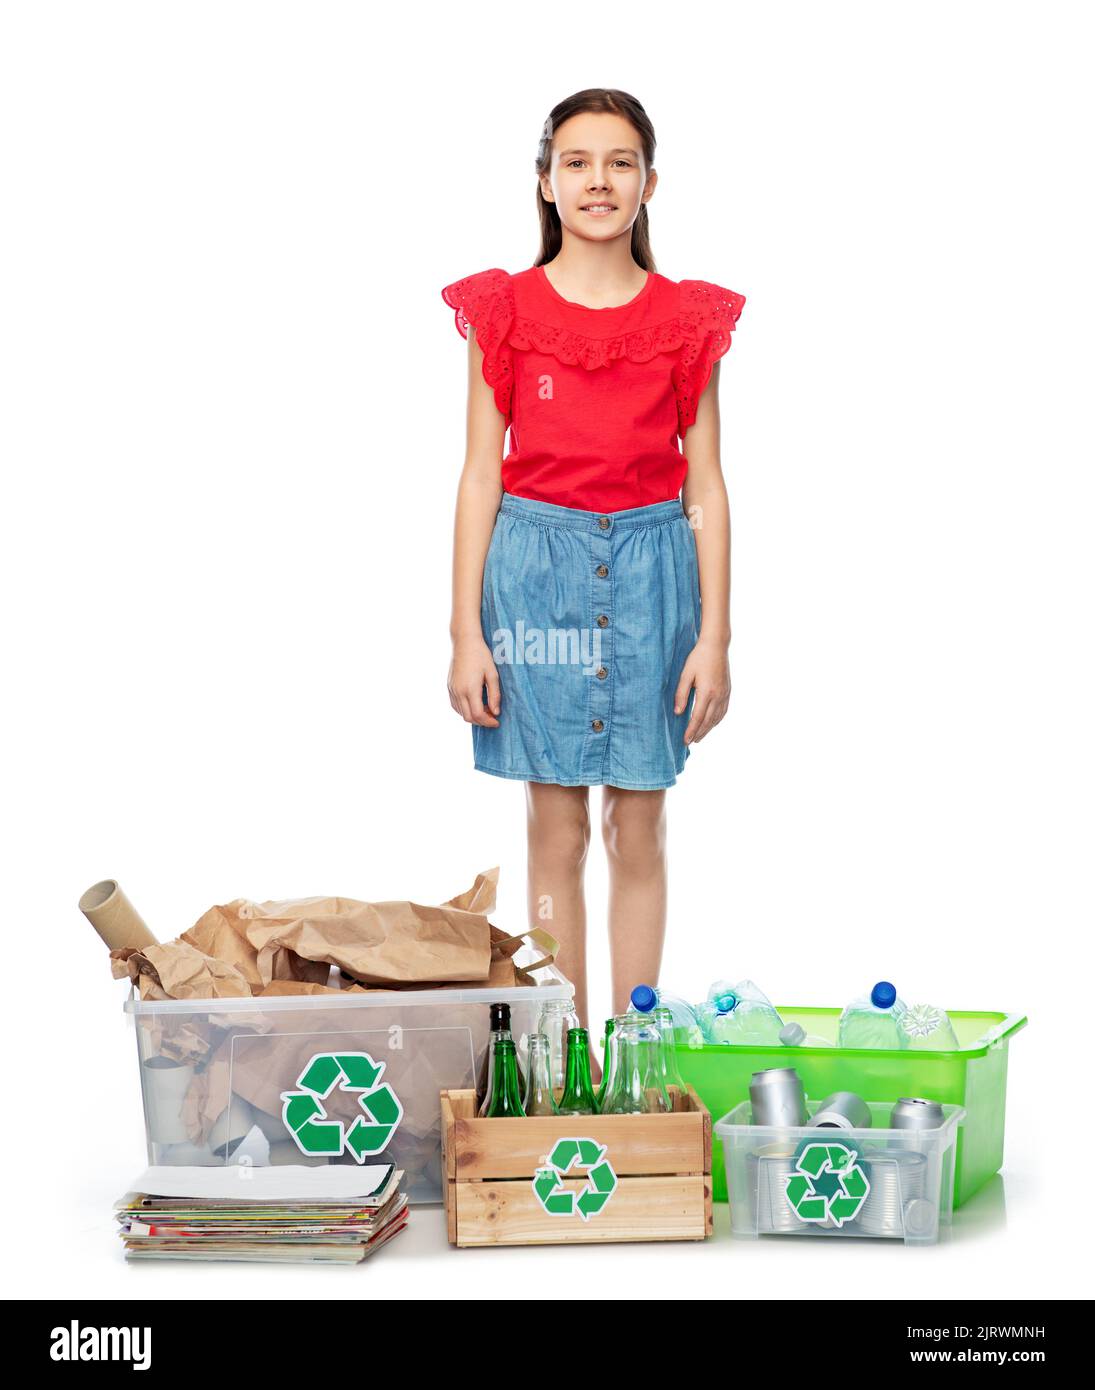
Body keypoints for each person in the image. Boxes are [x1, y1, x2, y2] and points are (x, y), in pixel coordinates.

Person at [441, 88, 746, 1036]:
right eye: (576, 161)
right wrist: (465, 634)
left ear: (649, 183)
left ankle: (632, 1043)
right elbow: (479, 479)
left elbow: (708, 486)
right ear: (544, 182)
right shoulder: (506, 311)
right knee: (557, 828)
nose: (598, 180)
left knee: (638, 825)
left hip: (655, 579)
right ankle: (563, 1046)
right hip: (536, 576)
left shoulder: (685, 322)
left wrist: (716, 639)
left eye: (619, 162)